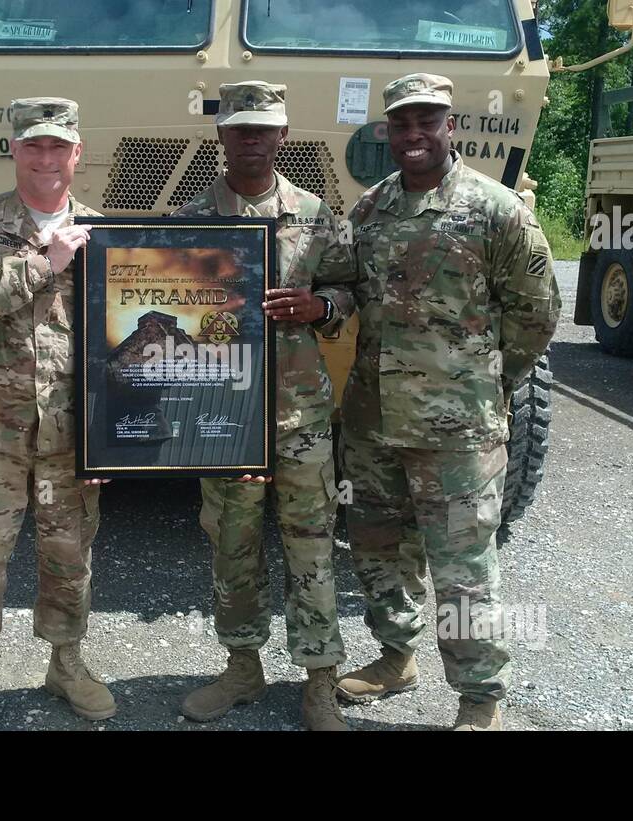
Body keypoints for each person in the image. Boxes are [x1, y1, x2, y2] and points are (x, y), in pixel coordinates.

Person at [336, 73, 560, 730]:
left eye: (426, 121)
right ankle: (394, 655)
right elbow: (348, 292)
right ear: (387, 132)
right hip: (373, 421)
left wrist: (487, 379)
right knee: (376, 546)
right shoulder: (370, 211)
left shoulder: (496, 210)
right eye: (401, 123)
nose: (413, 134)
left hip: (457, 429)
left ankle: (480, 696)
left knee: (462, 565)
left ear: (449, 126)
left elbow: (537, 313)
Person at [173, 81, 356, 731]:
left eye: (264, 127)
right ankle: (242, 666)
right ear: (220, 135)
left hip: (300, 414)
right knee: (233, 545)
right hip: (223, 419)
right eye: (239, 127)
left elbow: (347, 287)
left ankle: (318, 678)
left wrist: (321, 307)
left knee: (311, 546)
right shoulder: (189, 223)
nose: (251, 138)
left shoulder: (315, 213)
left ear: (282, 134)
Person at [0, 97, 112, 731]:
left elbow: (128, 339)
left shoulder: (106, 231)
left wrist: (119, 438)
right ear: (14, 151)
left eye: (57, 146)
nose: (45, 158)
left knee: (71, 557)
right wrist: (44, 262)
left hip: (71, 436)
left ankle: (66, 662)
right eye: (33, 146)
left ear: (76, 153)